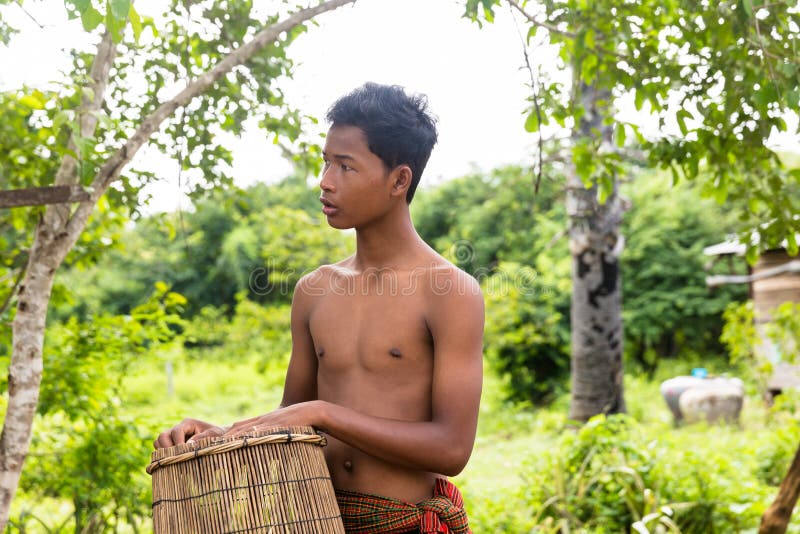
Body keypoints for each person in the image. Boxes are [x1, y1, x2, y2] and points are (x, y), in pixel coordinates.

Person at [154, 82, 484, 533]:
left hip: (404, 525)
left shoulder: (449, 292)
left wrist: (324, 413)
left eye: (345, 166)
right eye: (326, 161)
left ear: (399, 180)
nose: (325, 181)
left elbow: (451, 449)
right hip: (317, 520)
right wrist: (220, 434)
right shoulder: (315, 290)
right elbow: (292, 426)